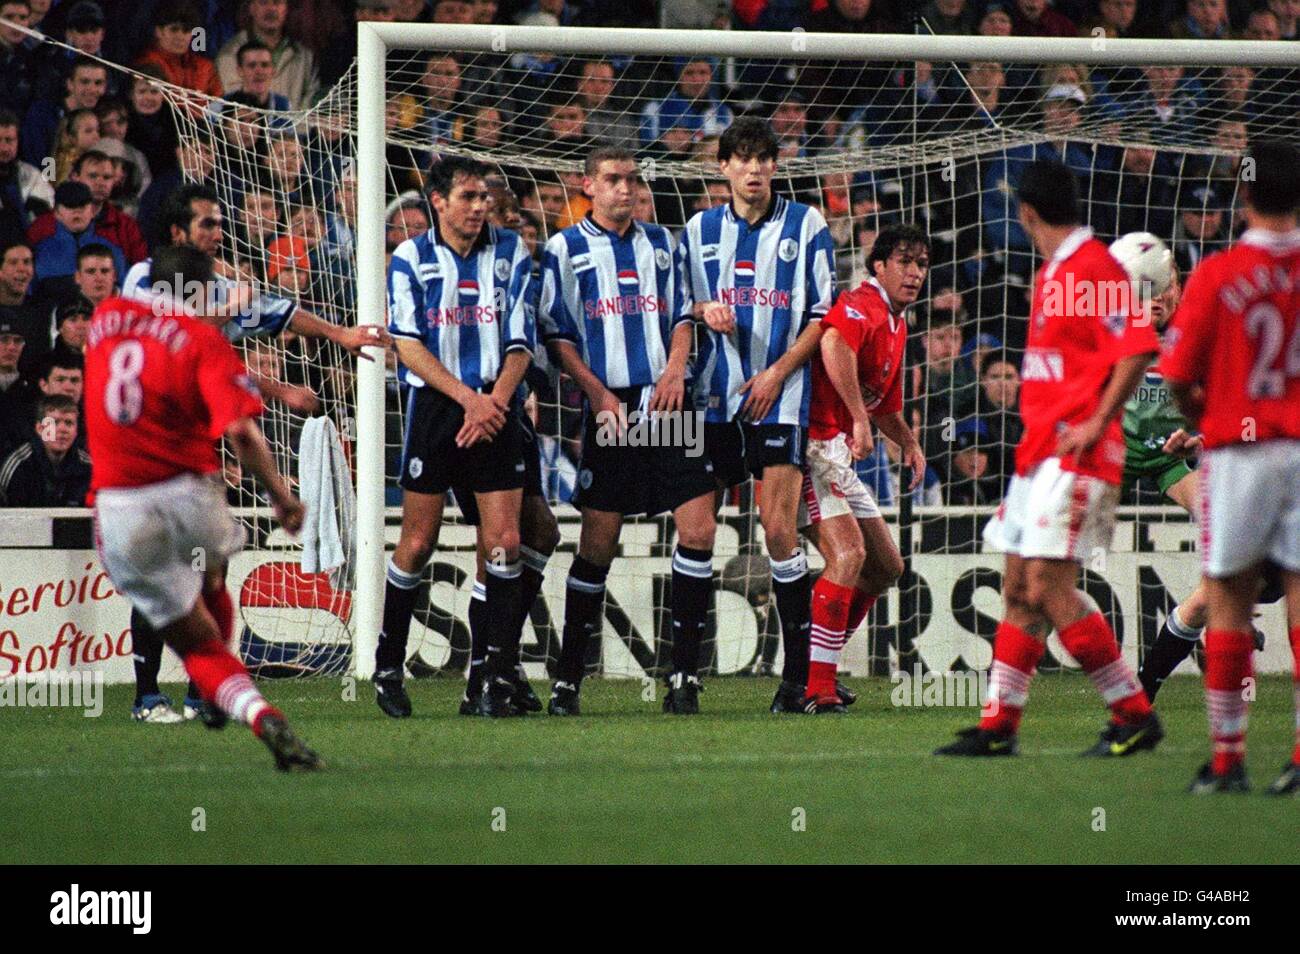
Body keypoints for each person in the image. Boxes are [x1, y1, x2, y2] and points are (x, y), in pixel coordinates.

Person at [936, 159, 1161, 758]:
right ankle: (998, 727)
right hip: (1038, 454)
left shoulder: (1094, 268)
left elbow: (1138, 346)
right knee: (1016, 584)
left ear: (1026, 212)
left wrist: (1096, 419)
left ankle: (1134, 713)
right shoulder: (1056, 271)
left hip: (1076, 454)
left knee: (1045, 586)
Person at [84, 243, 318, 769]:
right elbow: (240, 431)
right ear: (202, 291)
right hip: (191, 493)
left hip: (122, 503)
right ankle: (215, 690)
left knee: (196, 643)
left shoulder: (106, 317)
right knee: (212, 579)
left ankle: (249, 708)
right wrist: (281, 497)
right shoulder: (205, 344)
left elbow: (162, 321)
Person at [539, 146, 718, 715]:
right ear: (588, 185)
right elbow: (558, 335)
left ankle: (684, 676)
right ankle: (568, 679)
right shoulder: (564, 249)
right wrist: (597, 396)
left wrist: (673, 368)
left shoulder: (663, 245)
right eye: (613, 179)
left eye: (632, 180)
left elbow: (684, 314)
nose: (624, 189)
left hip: (667, 403)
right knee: (599, 543)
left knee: (699, 530)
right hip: (612, 407)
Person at [677, 117, 836, 713]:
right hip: (711, 401)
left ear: (776, 165)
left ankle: (797, 681)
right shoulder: (698, 229)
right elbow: (681, 306)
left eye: (763, 159)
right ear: (723, 167)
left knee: (778, 529)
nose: (753, 169)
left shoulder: (807, 224)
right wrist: (701, 307)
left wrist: (775, 374)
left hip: (782, 397)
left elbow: (823, 316)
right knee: (694, 530)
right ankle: (683, 678)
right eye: (741, 159)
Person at [1161, 140, 1300, 796]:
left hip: (1240, 452)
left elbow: (1177, 377)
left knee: (1229, 601)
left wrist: (1211, 410)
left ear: (1244, 197)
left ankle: (1228, 761)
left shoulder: (1217, 273)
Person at [374, 156, 535, 718]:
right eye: (467, 196)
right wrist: (470, 400)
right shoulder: (409, 257)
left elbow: (522, 339)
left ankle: (486, 678)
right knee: (418, 543)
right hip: (440, 411)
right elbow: (408, 344)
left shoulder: (511, 251)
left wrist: (494, 401)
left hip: (496, 404)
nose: (480, 206)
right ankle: (388, 666)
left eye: (484, 196)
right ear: (436, 201)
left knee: (503, 546)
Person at [797, 225, 928, 711]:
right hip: (810, 448)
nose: (914, 273)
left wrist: (910, 444)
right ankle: (816, 687)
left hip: (834, 451)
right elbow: (833, 345)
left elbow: (886, 404)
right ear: (878, 266)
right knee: (848, 557)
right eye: (904, 261)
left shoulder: (897, 322)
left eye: (921, 264)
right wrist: (856, 417)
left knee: (885, 568)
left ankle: (810, 665)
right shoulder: (862, 303)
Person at [0, 393, 89, 505]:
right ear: (40, 428)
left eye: (69, 423)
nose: (62, 429)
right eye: (54, 422)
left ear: (76, 431)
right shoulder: (19, 465)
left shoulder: (87, 467)